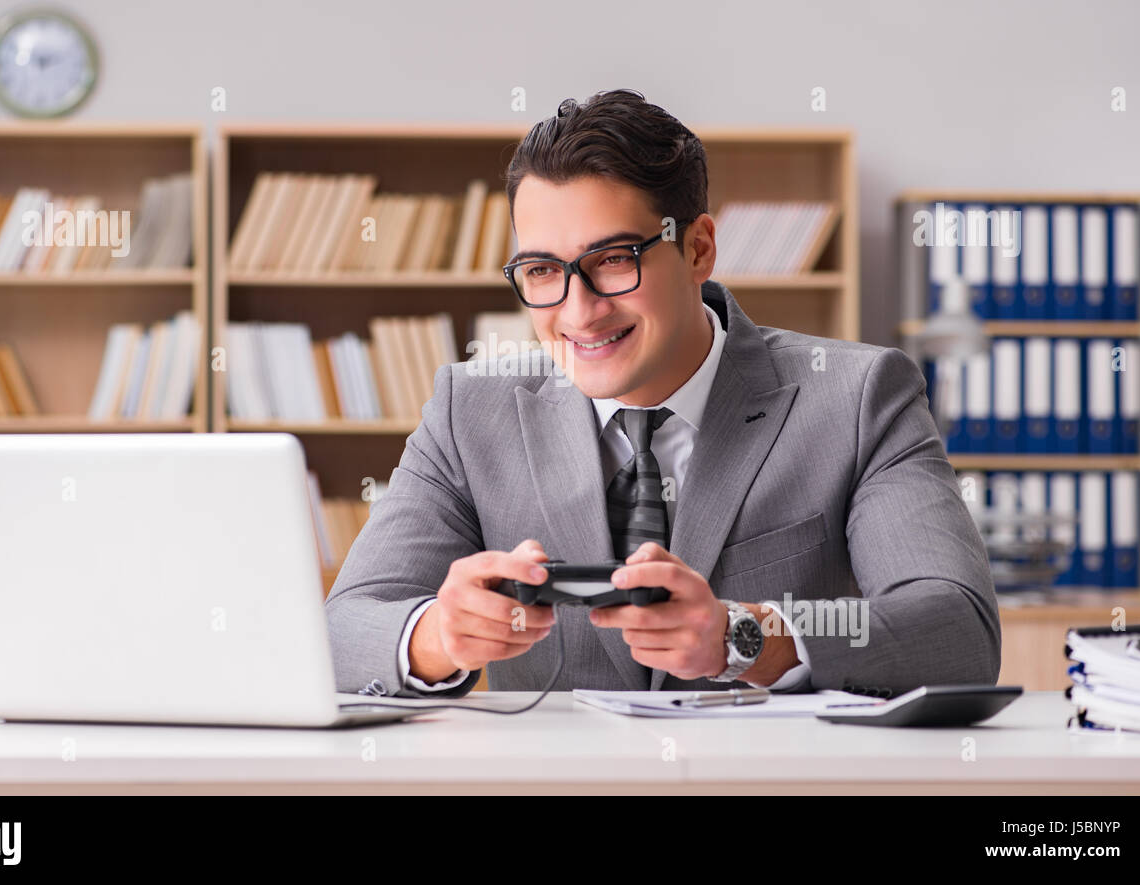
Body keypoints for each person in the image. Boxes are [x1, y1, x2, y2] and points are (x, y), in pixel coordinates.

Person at [325, 89, 1000, 698]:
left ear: (699, 248)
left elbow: (955, 627)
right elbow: (341, 631)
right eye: (541, 270)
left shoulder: (856, 397)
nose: (578, 310)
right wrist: (440, 635)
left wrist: (747, 636)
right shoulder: (470, 412)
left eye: (613, 261)